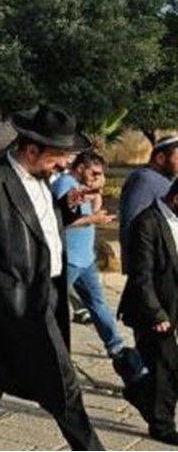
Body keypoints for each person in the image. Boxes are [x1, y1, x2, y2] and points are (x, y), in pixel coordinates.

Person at [0, 105, 102, 450]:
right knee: (63, 382)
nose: (65, 165)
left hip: (47, 289)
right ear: (31, 150)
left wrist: (67, 207)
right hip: (15, 297)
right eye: (59, 156)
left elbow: (37, 228)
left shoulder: (43, 180)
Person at [118, 179, 178, 445]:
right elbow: (141, 276)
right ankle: (162, 426)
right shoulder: (147, 223)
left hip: (173, 303)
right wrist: (157, 315)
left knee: (166, 367)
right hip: (150, 308)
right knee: (165, 366)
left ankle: (139, 389)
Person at [51, 152, 126, 362]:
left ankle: (116, 346)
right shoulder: (66, 184)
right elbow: (62, 221)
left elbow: (93, 208)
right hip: (70, 258)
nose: (95, 177)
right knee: (53, 305)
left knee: (98, 303)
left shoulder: (80, 185)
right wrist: (94, 219)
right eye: (94, 172)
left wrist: (97, 192)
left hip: (85, 258)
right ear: (81, 167)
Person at [119, 136, 178, 273]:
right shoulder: (144, 180)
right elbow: (133, 223)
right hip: (150, 265)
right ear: (161, 158)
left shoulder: (166, 179)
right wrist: (138, 265)